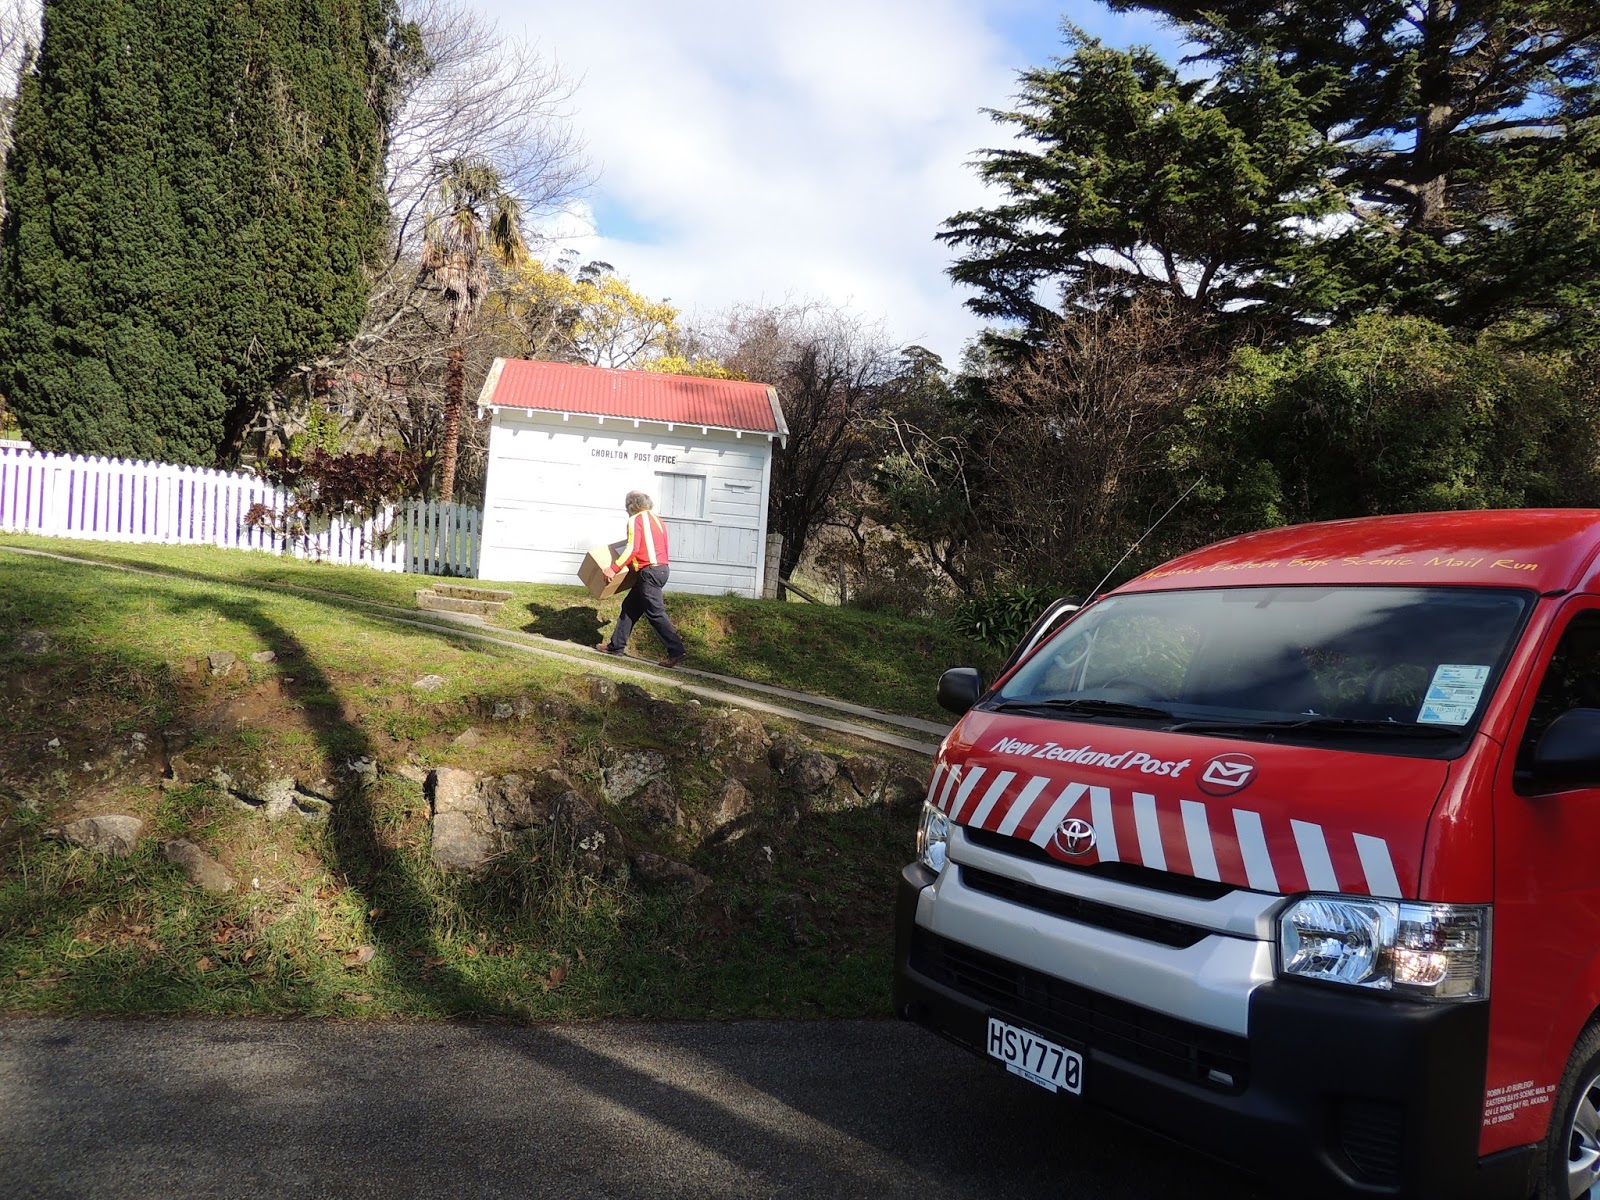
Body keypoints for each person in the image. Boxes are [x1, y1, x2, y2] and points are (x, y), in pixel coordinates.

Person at [595, 490, 687, 667]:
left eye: (626, 506)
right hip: (661, 569)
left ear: (632, 505)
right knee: (630, 607)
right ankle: (616, 646)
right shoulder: (658, 520)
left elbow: (632, 548)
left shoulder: (635, 520)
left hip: (649, 571)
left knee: (655, 612)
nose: (626, 510)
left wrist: (614, 568)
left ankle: (676, 651)